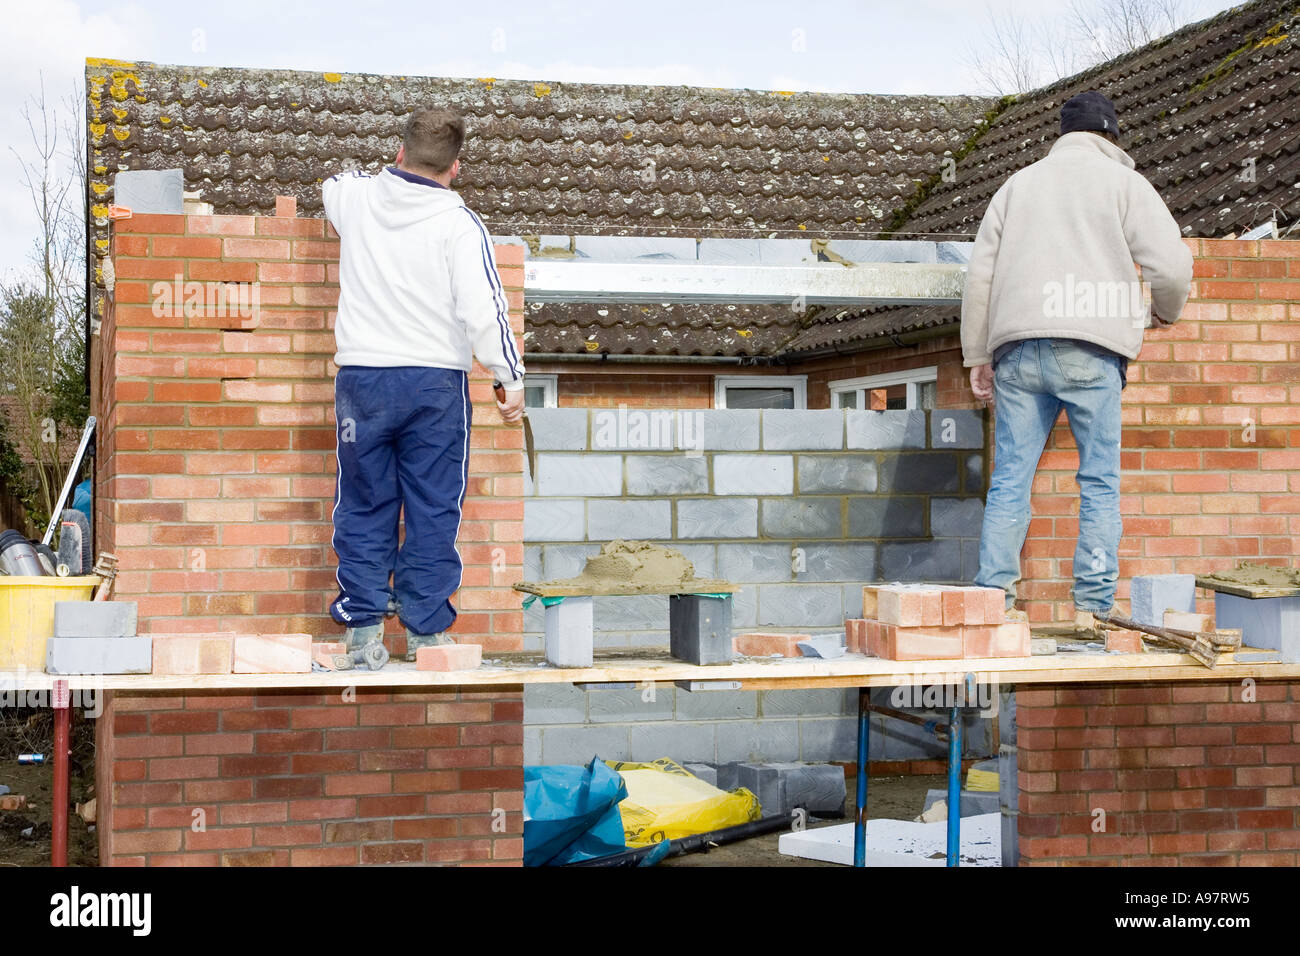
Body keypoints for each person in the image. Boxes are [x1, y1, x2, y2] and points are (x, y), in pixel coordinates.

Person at [960, 91, 1193, 633]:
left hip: (1016, 348)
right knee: (1099, 481)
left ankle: (995, 598)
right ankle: (1091, 606)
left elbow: (980, 276)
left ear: (1062, 136)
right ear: (1111, 138)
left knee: (1010, 478)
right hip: (1090, 347)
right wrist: (1163, 313)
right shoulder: (1124, 184)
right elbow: (1172, 267)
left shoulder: (1017, 185)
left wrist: (977, 353)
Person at [322, 107, 526, 661]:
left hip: (362, 381)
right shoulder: (459, 225)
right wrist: (509, 378)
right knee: (434, 507)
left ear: (398, 154)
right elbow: (485, 309)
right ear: (455, 167)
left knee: (363, 504)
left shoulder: (357, 199)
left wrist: (376, 181)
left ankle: (363, 634)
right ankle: (427, 635)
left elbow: (332, 182)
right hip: (434, 387)